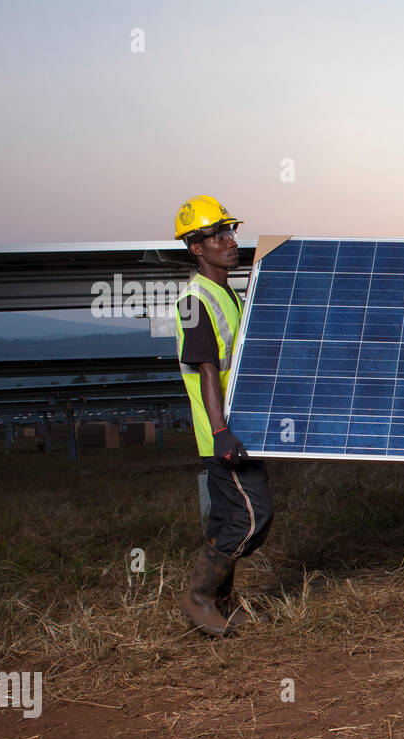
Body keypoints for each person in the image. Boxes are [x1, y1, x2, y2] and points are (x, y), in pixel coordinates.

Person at [172, 195, 273, 637]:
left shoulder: (225, 292)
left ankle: (222, 603)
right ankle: (198, 596)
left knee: (225, 518)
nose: (230, 241)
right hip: (222, 432)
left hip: (238, 425)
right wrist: (220, 431)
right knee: (251, 516)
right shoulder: (195, 300)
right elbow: (207, 368)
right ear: (196, 247)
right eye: (218, 235)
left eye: (230, 231)